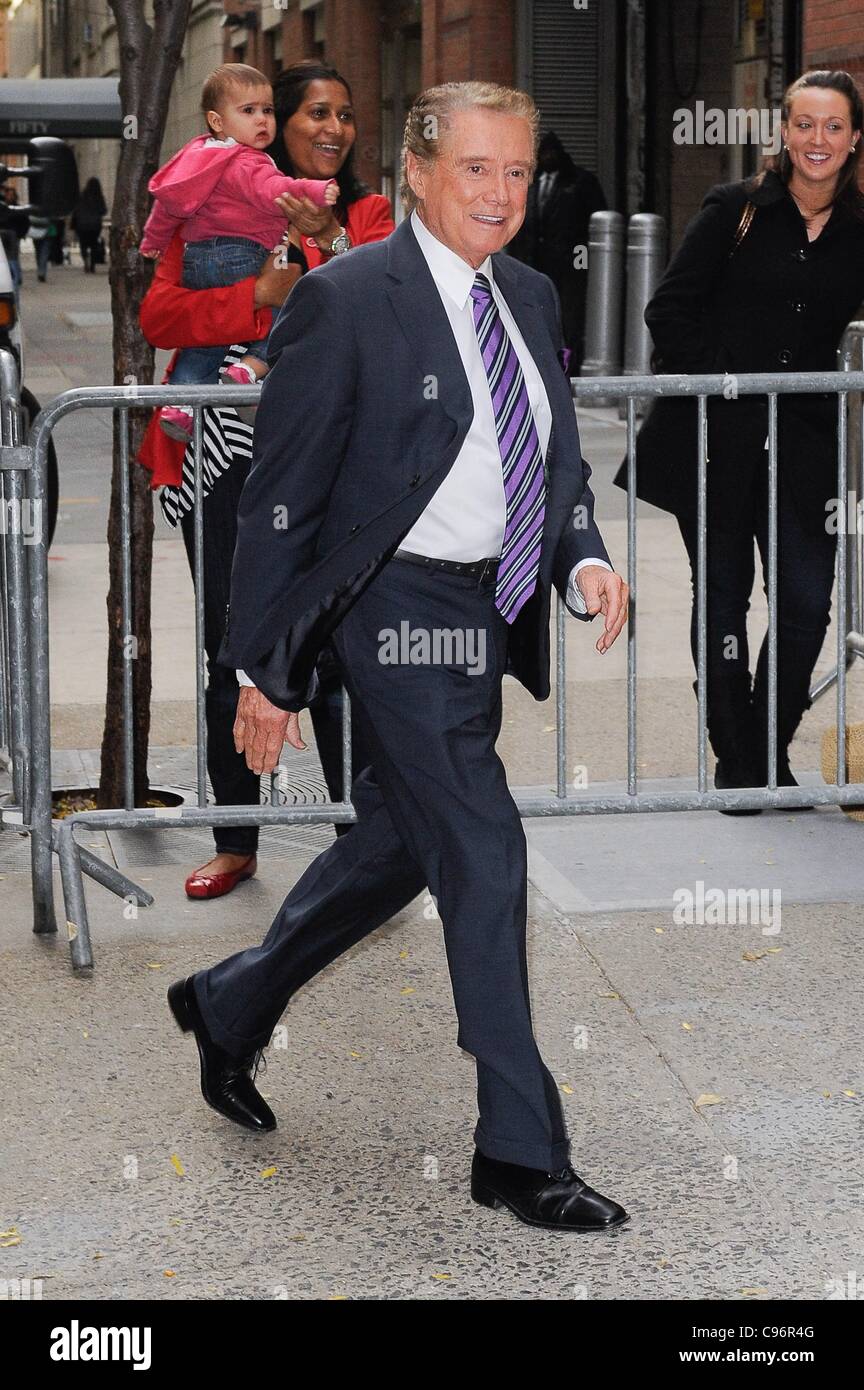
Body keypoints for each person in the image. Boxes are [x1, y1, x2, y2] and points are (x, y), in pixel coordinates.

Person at [167, 81, 631, 1233]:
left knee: (398, 843)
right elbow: (281, 500)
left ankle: (230, 1005)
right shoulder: (346, 298)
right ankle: (519, 1148)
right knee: (484, 842)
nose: (500, 193)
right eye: (476, 168)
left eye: (518, 172)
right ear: (418, 174)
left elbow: (552, 451)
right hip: (392, 603)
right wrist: (261, 668)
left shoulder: (524, 292)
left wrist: (581, 556)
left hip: (481, 609)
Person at [137, 61, 395, 899]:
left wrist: (320, 245)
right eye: (315, 112)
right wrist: (259, 291)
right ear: (267, 125)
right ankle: (236, 839)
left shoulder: (368, 212)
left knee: (333, 648)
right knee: (229, 644)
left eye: (346, 114)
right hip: (221, 453)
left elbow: (388, 306)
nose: (334, 128)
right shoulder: (209, 204)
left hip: (333, 456)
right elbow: (159, 315)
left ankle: (360, 839)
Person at [615, 69, 864, 810]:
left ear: (855, 140)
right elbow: (670, 312)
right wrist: (724, 388)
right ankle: (739, 758)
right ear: (783, 132)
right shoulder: (736, 210)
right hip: (715, 444)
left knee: (804, 603)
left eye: (834, 126)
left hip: (810, 452)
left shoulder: (860, 229)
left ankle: (764, 745)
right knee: (721, 597)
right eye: (804, 124)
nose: (817, 140)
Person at [140, 62, 337, 441]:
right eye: (249, 111)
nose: (262, 120)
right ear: (216, 120)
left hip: (201, 262)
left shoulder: (195, 164)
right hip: (212, 456)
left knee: (204, 348)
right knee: (292, 312)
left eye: (267, 111)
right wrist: (258, 294)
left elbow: (165, 209)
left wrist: (152, 243)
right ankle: (251, 370)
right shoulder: (250, 163)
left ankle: (183, 403)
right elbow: (157, 320)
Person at [507, 130, 607, 373]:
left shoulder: (581, 182)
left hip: (570, 268)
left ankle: (567, 368)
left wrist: (582, 263)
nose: (548, 157)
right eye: (544, 153)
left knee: (569, 322)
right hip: (533, 265)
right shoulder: (530, 184)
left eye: (553, 152)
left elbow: (596, 227)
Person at [71, 177, 107, 273]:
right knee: (93, 245)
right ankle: (92, 264)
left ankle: (86, 259)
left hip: (82, 225)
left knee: (83, 244)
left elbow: (76, 211)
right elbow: (103, 211)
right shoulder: (99, 197)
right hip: (95, 225)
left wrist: (74, 223)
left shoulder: (82, 197)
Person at [0, 183, 28, 297]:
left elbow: (25, 223)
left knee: (13, 260)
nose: (9, 196)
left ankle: (16, 278)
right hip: (6, 235)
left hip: (12, 236)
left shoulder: (17, 209)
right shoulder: (4, 207)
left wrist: (20, 234)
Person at [29, 211, 54, 282]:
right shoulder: (49, 209)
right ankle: (42, 271)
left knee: (38, 252)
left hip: (36, 234)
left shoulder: (34, 208)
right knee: (44, 253)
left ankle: (40, 269)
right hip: (47, 233)